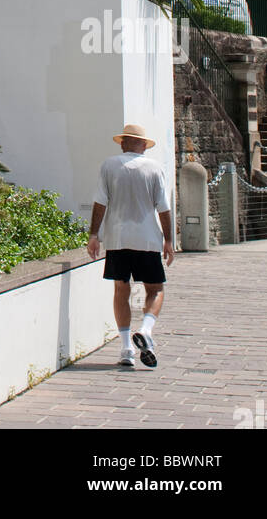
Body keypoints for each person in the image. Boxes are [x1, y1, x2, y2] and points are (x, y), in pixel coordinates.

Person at [87, 123, 175, 369]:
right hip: (147, 239)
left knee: (121, 291)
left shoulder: (109, 165)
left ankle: (126, 348)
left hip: (118, 238)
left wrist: (94, 234)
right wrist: (168, 240)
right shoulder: (155, 168)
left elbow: (99, 203)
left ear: (124, 143)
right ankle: (146, 330)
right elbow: (163, 208)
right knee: (155, 290)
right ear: (143, 145)